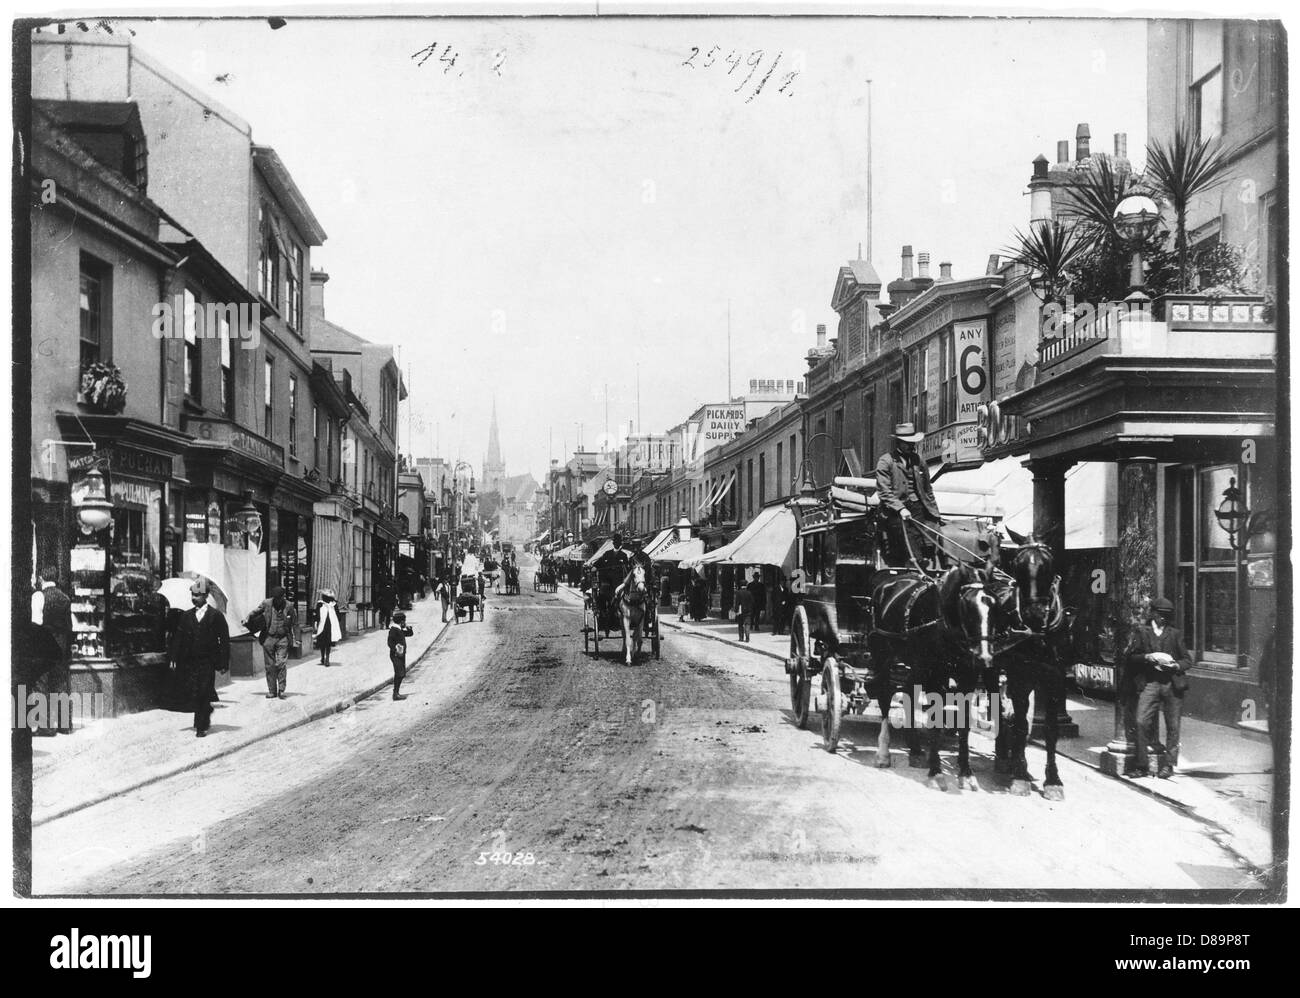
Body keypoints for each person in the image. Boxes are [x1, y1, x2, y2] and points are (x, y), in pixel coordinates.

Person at [1124, 597, 1192, 779]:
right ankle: (1141, 765)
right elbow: (1131, 658)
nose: (1164, 619)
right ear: (1153, 613)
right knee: (1140, 721)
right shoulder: (1142, 632)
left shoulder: (1175, 634)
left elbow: (1187, 660)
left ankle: (1169, 765)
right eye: (1161, 615)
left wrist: (1176, 666)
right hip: (1151, 683)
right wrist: (1148, 657)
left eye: (1166, 616)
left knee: (1173, 726)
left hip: (1172, 683)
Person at [875, 422, 943, 570]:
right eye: (907, 443)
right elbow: (884, 492)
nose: (911, 446)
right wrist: (900, 509)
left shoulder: (919, 461)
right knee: (907, 537)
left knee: (930, 536)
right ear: (899, 442)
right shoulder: (885, 461)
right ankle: (916, 564)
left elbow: (927, 490)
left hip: (918, 507)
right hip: (893, 511)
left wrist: (935, 513)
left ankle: (928, 564)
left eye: (913, 443)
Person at [168, 579, 231, 738]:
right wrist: (174, 657)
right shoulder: (187, 616)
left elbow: (224, 640)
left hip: (208, 661)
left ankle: (201, 726)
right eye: (192, 595)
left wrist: (224, 663)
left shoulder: (215, 616)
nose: (194, 598)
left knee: (203, 691)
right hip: (190, 661)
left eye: (197, 595)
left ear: (205, 596)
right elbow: (178, 638)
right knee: (194, 692)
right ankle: (205, 712)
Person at [31, 565, 73, 735]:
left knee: (41, 683)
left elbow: (35, 623)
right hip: (61, 647)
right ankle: (64, 725)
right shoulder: (65, 598)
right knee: (60, 684)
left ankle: (46, 727)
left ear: (41, 578)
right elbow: (69, 626)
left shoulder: (38, 596)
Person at [250, 586, 297, 699]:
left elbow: (295, 623)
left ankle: (281, 689)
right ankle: (272, 691)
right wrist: (247, 618)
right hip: (268, 637)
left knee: (281, 663)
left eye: (279, 598)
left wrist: (297, 638)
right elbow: (256, 611)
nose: (277, 600)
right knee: (270, 666)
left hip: (282, 638)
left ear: (283, 597)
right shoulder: (267, 603)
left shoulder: (289, 605)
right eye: (275, 598)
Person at [389, 611, 414, 701]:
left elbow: (410, 634)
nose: (405, 623)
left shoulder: (399, 629)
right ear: (401, 621)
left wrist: (409, 628)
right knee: (399, 673)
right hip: (396, 655)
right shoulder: (394, 629)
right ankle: (395, 694)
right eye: (404, 621)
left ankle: (396, 692)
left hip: (401, 655)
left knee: (401, 673)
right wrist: (396, 649)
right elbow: (390, 642)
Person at [314, 589, 342, 666]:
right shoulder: (321, 604)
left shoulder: (333, 605)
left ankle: (326, 658)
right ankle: (324, 658)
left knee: (326, 643)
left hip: (328, 626)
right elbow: (317, 614)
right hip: (324, 625)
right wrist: (316, 622)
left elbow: (337, 615)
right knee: (325, 643)